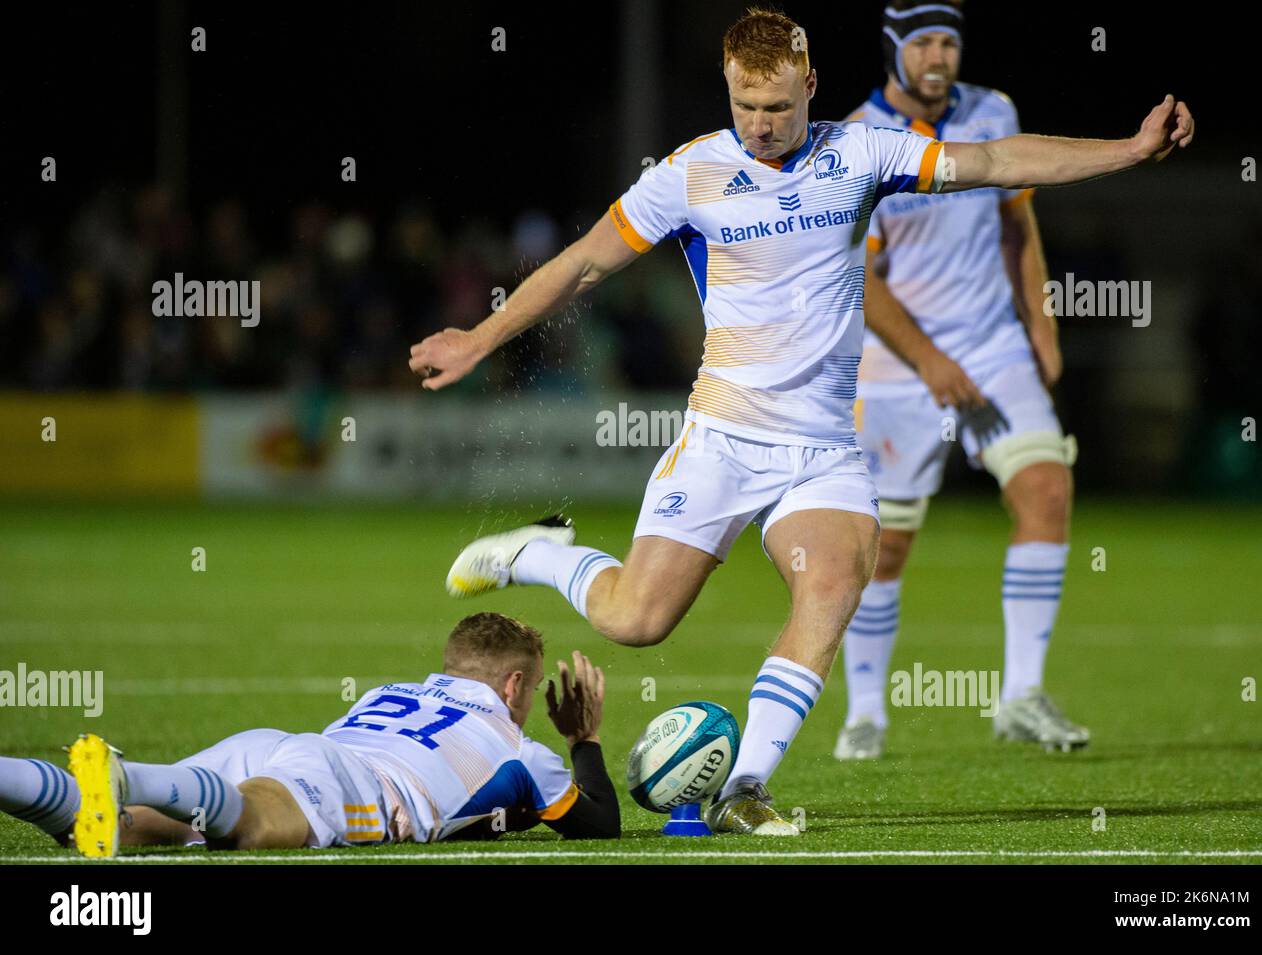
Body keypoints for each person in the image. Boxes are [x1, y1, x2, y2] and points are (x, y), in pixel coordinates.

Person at [409, 8, 1193, 835]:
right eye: (746, 106)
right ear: (728, 89)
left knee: (833, 580)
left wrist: (1129, 150)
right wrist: (480, 336)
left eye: (778, 107)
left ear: (810, 86)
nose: (762, 124)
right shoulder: (690, 174)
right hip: (721, 438)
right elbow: (582, 264)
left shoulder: (859, 152)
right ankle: (539, 552)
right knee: (634, 621)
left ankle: (745, 785)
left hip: (821, 448)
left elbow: (996, 159)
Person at [836, 1, 1088, 760]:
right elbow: (863, 280)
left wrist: (1039, 324)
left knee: (1046, 489)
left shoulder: (992, 110)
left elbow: (1018, 222)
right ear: (894, 50)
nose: (939, 56)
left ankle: (1020, 694)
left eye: (948, 40)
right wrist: (930, 361)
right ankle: (867, 711)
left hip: (994, 347)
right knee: (885, 548)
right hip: (896, 367)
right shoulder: (855, 141)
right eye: (923, 43)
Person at [0, 612, 617, 857]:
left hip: (274, 746)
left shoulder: (389, 693)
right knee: (251, 831)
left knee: (112, 831)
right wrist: (582, 738)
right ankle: (123, 773)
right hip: (344, 779)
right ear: (513, 687)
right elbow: (597, 825)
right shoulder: (520, 751)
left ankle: (41, 781)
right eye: (533, 691)